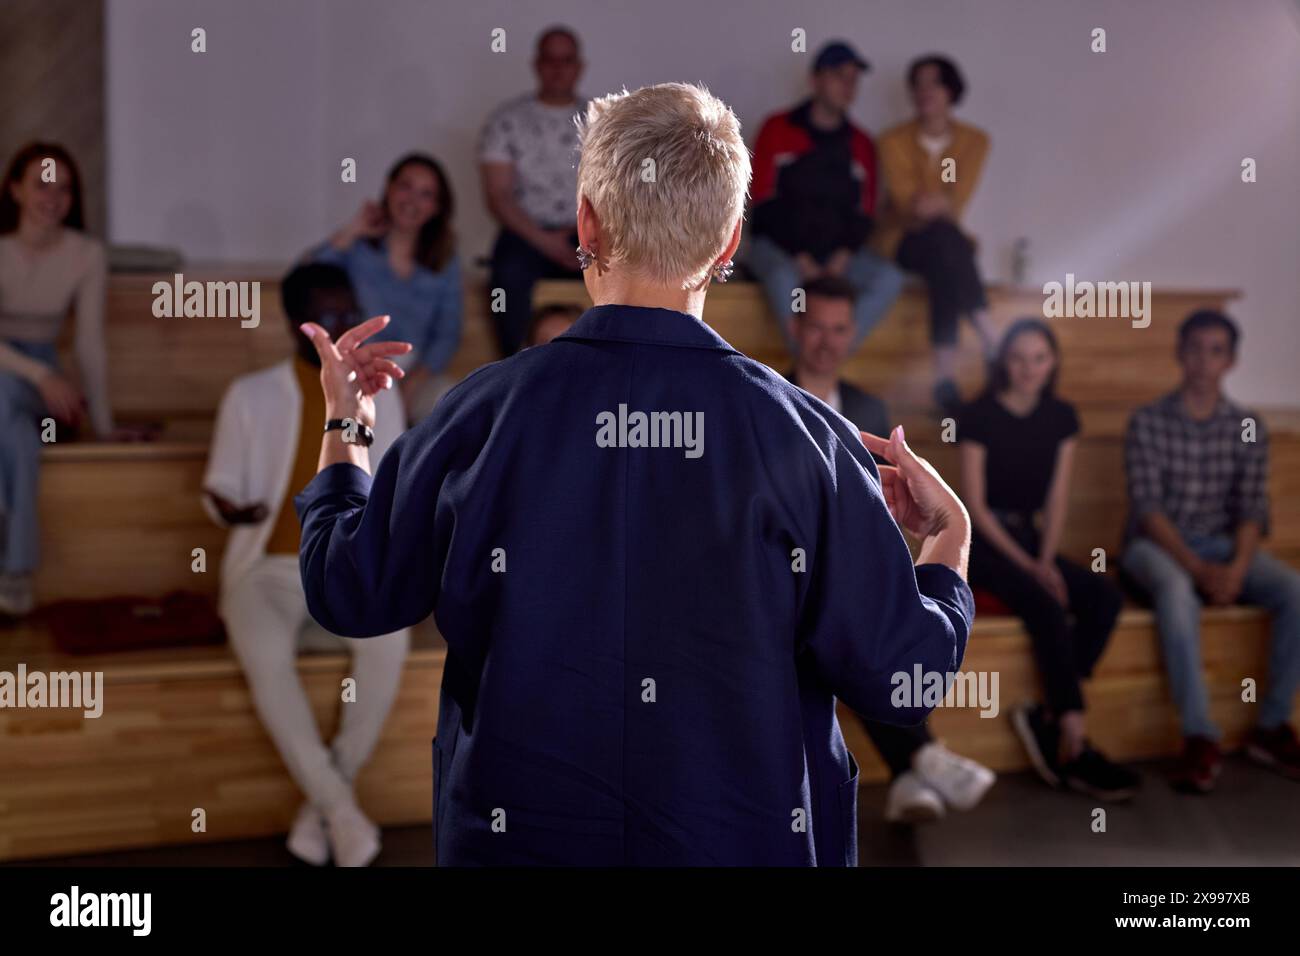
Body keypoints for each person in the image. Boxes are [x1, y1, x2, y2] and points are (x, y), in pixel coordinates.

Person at [293, 83, 973, 867]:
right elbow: (903, 679)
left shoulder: (478, 414)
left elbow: (348, 589)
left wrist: (346, 427)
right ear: (729, 245)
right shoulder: (811, 439)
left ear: (587, 221)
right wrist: (946, 550)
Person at [203, 263, 411, 866]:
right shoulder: (250, 395)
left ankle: (322, 805)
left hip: (343, 566)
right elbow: (218, 490)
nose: (343, 323)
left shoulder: (381, 394)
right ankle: (339, 810)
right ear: (300, 323)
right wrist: (228, 508)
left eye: (350, 309)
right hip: (265, 571)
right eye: (329, 313)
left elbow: (386, 495)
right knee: (264, 653)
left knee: (388, 640)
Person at [787, 277, 994, 823]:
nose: (827, 342)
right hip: (790, 572)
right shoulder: (772, 402)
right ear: (796, 329)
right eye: (817, 328)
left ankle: (909, 775)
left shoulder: (866, 407)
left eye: (838, 329)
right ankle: (919, 759)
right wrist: (950, 529)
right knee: (848, 625)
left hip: (857, 564)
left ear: (851, 334)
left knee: (860, 612)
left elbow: (885, 508)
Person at [958, 319, 1138, 800]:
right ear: (1003, 363)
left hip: (1033, 537)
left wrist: (1046, 559)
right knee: (1045, 603)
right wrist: (1032, 567)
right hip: (983, 539)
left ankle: (1055, 712)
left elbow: (1056, 499)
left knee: (1102, 597)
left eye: (1039, 359)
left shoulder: (1062, 418)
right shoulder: (976, 416)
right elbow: (973, 505)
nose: (1027, 369)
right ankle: (1074, 746)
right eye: (1017, 358)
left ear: (1053, 362)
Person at [1121, 310, 1300, 791]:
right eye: (1195, 349)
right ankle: (1200, 735)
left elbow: (1252, 508)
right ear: (1180, 354)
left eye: (1215, 351)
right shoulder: (1149, 421)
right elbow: (1148, 509)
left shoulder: (1247, 426)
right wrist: (1200, 569)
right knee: (1178, 592)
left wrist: (1236, 570)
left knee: (1294, 591)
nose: (1203, 361)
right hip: (1155, 547)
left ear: (1231, 361)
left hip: (1223, 546)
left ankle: (1271, 726)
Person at [0, 142, 145, 618]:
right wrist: (39, 373)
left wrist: (102, 424)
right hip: (19, 373)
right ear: (16, 189)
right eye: (42, 184)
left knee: (9, 410)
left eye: (64, 188)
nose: (53, 198)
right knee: (17, 433)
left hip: (41, 379)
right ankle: (16, 573)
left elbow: (88, 344)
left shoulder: (85, 254)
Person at [747, 40, 904, 357]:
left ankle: (825, 361)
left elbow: (865, 214)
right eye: (839, 76)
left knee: (888, 278)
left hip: (837, 258)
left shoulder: (861, 143)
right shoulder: (776, 129)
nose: (848, 86)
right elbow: (762, 203)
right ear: (815, 80)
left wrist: (842, 257)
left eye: (854, 79)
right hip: (781, 251)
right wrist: (802, 257)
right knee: (783, 279)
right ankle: (807, 379)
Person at [877, 55, 997, 414]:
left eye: (935, 83)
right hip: (902, 241)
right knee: (947, 242)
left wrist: (935, 201)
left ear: (951, 90)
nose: (925, 91)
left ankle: (944, 379)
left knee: (945, 254)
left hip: (943, 246)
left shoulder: (975, 141)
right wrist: (935, 201)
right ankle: (991, 337)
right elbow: (908, 203)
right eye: (919, 83)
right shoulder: (892, 140)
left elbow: (955, 200)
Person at [314, 153, 461, 424]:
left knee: (453, 402)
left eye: (426, 194)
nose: (412, 201)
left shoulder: (444, 260)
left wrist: (412, 384)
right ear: (389, 188)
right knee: (378, 404)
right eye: (405, 186)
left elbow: (447, 333)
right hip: (360, 367)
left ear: (437, 207)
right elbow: (306, 278)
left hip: (417, 372)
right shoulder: (359, 248)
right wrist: (353, 229)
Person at [479, 26, 588, 357]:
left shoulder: (602, 121)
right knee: (506, 277)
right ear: (537, 64)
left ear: (579, 66)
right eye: (549, 59)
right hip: (525, 235)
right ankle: (514, 371)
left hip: (586, 232)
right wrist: (547, 242)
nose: (557, 67)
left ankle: (608, 374)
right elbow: (499, 197)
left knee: (626, 275)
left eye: (566, 59)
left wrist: (587, 234)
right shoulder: (506, 121)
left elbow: (615, 194)